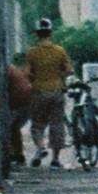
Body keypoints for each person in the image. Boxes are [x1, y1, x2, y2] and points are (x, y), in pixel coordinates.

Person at [22, 18, 74, 165]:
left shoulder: (32, 52)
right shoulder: (59, 51)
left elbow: (27, 73)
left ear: (37, 34)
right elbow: (68, 70)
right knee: (57, 124)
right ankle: (55, 159)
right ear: (50, 33)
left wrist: (36, 77)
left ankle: (40, 147)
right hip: (57, 92)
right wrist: (59, 76)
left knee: (37, 124)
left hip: (39, 92)